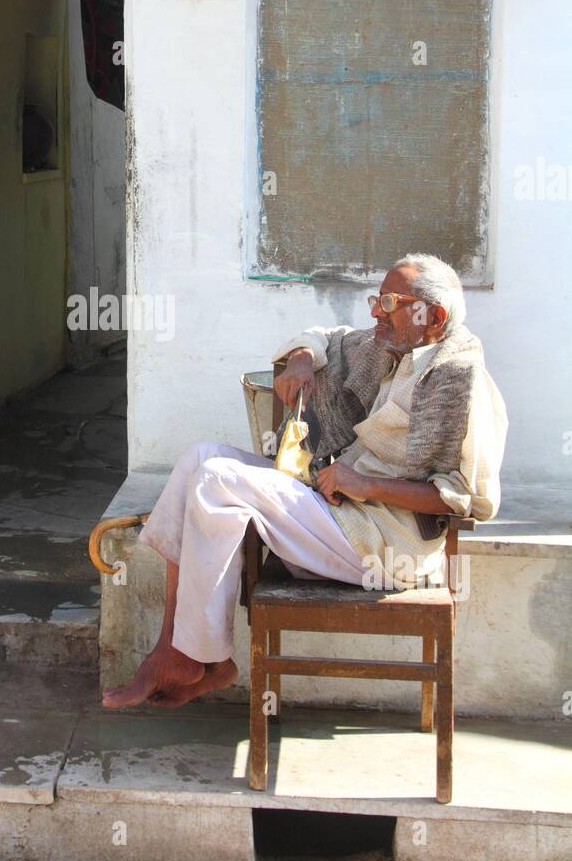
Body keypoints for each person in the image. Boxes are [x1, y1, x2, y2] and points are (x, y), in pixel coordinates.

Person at [102, 253, 508, 711]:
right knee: (200, 458)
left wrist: (366, 485)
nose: (376, 310)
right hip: (341, 516)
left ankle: (189, 657)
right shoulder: (394, 348)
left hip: (385, 545)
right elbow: (327, 337)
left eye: (389, 301)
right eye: (378, 298)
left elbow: (462, 500)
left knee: (216, 480)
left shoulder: (457, 377)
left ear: (433, 315)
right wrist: (300, 361)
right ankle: (176, 649)